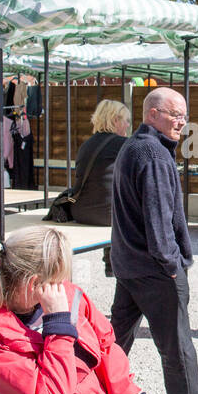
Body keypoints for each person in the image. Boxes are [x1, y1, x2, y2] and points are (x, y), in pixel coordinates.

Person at [109, 87, 198, 394]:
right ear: (153, 114)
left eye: (184, 116)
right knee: (176, 341)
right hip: (153, 267)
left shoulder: (134, 147)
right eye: (176, 115)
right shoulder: (154, 155)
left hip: (130, 263)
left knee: (116, 338)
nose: (182, 122)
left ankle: (88, 387)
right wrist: (171, 264)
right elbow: (159, 219)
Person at [0, 225, 157, 394]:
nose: (64, 284)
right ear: (34, 284)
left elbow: (105, 347)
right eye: (57, 277)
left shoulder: (66, 293)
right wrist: (58, 323)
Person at [69, 100, 131, 277]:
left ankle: (111, 262)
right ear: (115, 120)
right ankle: (117, 264)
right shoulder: (123, 144)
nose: (128, 124)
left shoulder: (86, 145)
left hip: (80, 211)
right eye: (125, 120)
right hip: (107, 215)